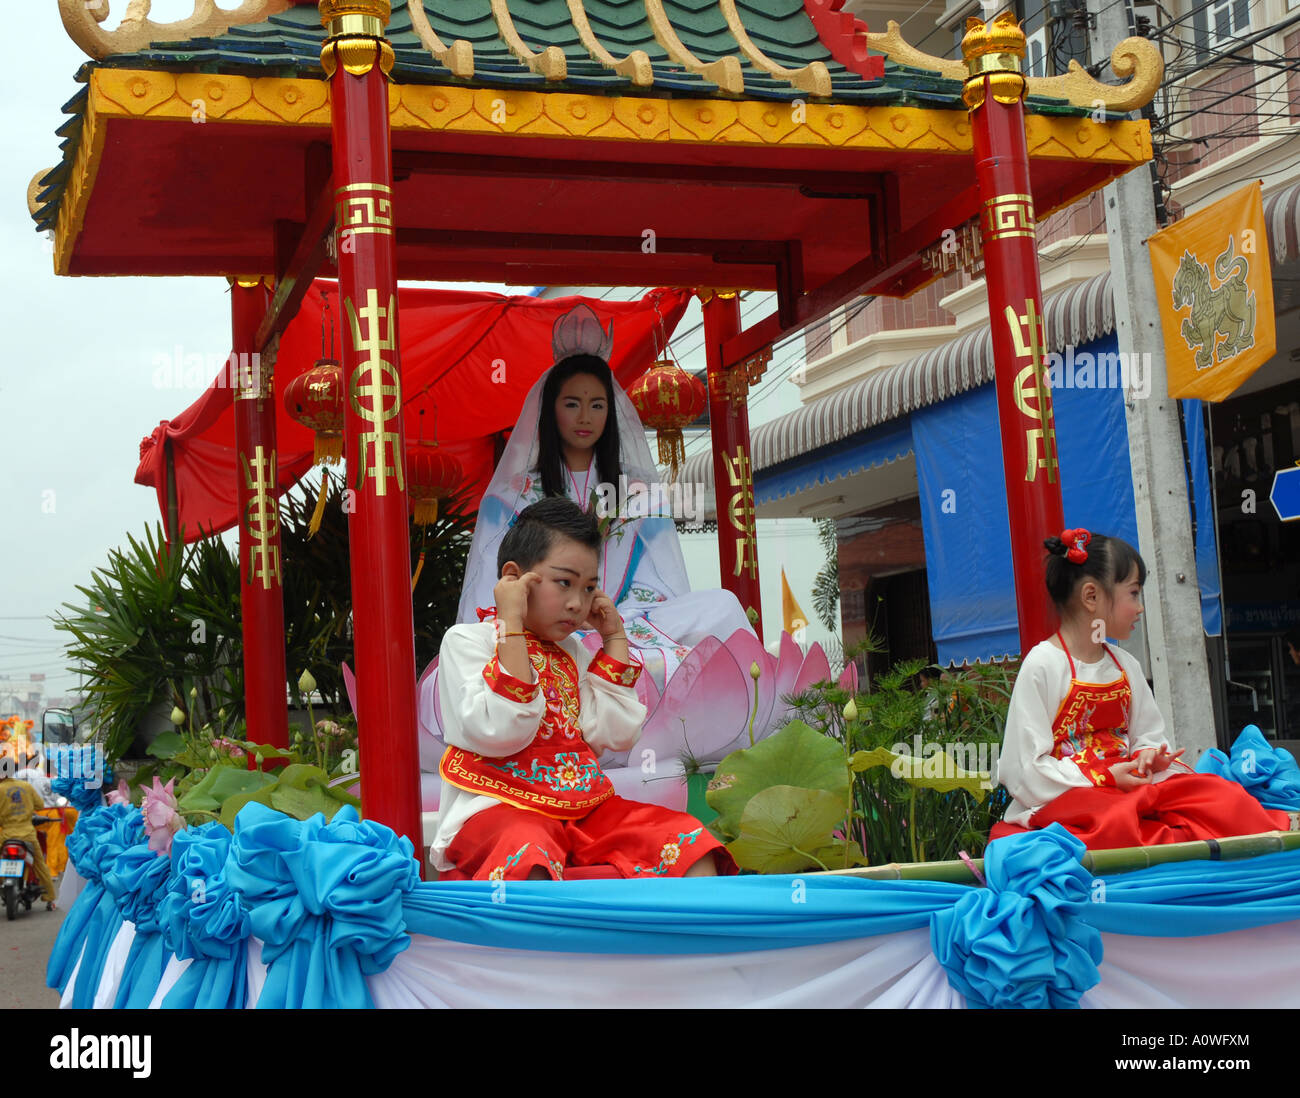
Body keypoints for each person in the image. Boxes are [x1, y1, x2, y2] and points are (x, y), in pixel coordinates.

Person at [455, 302, 755, 697]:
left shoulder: (638, 495)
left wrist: (607, 613)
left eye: (597, 405)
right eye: (571, 404)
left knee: (723, 605)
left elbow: (662, 581)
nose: (585, 417)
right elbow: (492, 585)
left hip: (619, 619)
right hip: (541, 623)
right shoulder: (514, 495)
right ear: (550, 410)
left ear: (611, 413)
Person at [431, 497, 733, 880]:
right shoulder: (468, 642)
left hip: (582, 811)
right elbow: (501, 732)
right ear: (513, 579)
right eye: (564, 583)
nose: (577, 603)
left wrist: (614, 638)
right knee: (529, 849)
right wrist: (511, 621)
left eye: (589, 587)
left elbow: (614, 735)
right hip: (496, 809)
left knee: (687, 840)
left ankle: (685, 936)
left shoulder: (573, 651)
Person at [994, 527, 1290, 850]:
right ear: (1091, 597)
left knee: (1220, 796)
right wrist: (1104, 777)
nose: (1140, 608)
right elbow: (1023, 770)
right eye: (1133, 594)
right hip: (1073, 798)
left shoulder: (1125, 665)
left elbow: (1147, 736)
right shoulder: (1043, 666)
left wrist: (1147, 756)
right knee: (1117, 821)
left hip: (1131, 789)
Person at [0, 768, 57, 909]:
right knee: (40, 865)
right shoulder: (26, 786)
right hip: (27, 835)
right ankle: (49, 897)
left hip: (6, 836)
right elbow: (40, 805)